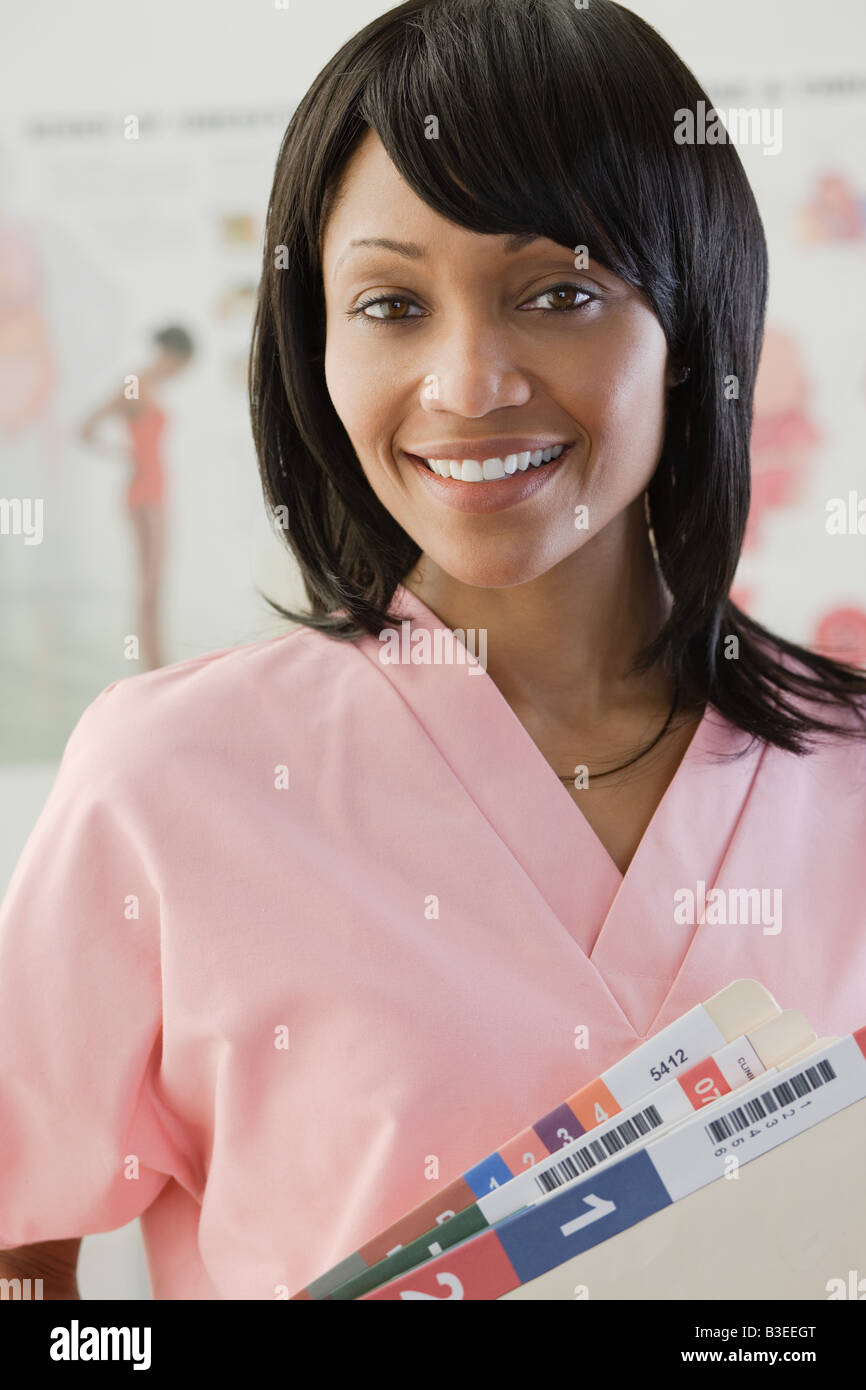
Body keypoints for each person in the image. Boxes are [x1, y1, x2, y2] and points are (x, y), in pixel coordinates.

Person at [1, 0, 865, 1302]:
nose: (466, 383)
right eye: (391, 303)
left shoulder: (844, 775)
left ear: (690, 330)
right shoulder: (170, 776)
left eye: (560, 292)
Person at [79, 324, 194, 670]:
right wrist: (122, 454)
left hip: (156, 488)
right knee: (149, 582)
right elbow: (87, 428)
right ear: (172, 356)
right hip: (143, 491)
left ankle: (154, 661)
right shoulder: (137, 384)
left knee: (155, 581)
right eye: (182, 364)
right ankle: (151, 664)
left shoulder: (151, 386)